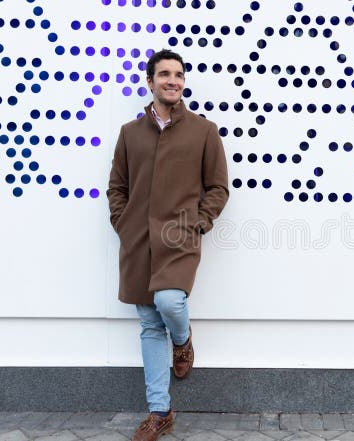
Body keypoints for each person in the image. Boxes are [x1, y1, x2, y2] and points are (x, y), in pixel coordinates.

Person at [107, 48, 229, 441]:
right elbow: (117, 187)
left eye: (178, 74)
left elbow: (217, 187)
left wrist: (198, 223)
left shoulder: (203, 131)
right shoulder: (130, 133)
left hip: (179, 237)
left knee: (169, 302)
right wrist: (123, 223)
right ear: (150, 81)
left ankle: (183, 339)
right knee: (147, 323)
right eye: (164, 74)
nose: (172, 80)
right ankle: (160, 411)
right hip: (138, 241)